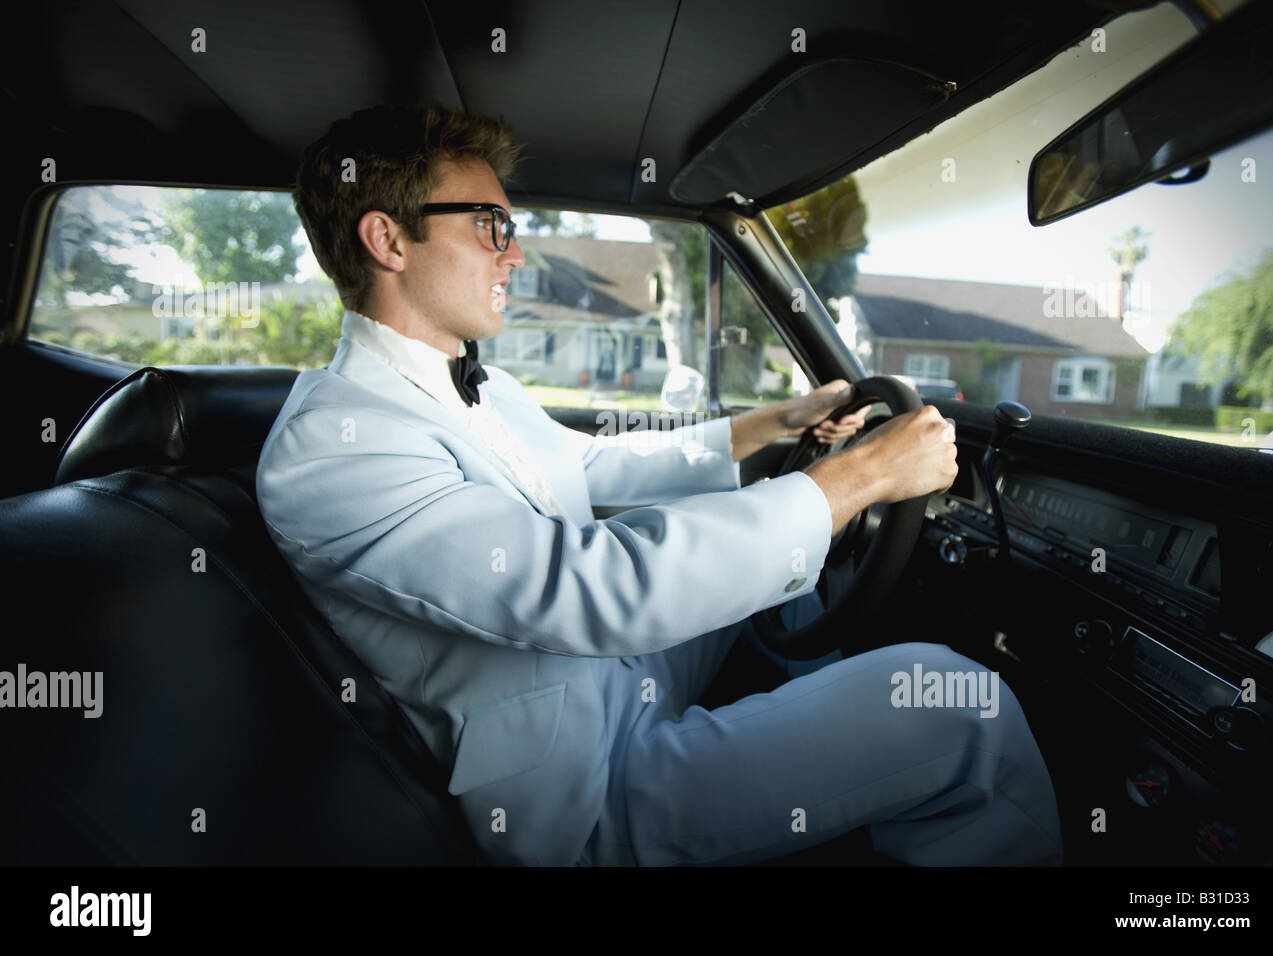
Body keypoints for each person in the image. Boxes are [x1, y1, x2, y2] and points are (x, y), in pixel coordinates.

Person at [256, 102, 1064, 867]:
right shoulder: (332, 448)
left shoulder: (478, 385)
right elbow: (581, 587)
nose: (515, 251)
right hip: (580, 787)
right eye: (490, 224)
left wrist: (771, 426)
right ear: (388, 240)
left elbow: (596, 467)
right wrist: (853, 483)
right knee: (959, 706)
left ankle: (838, 767)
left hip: (614, 683)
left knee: (788, 584)